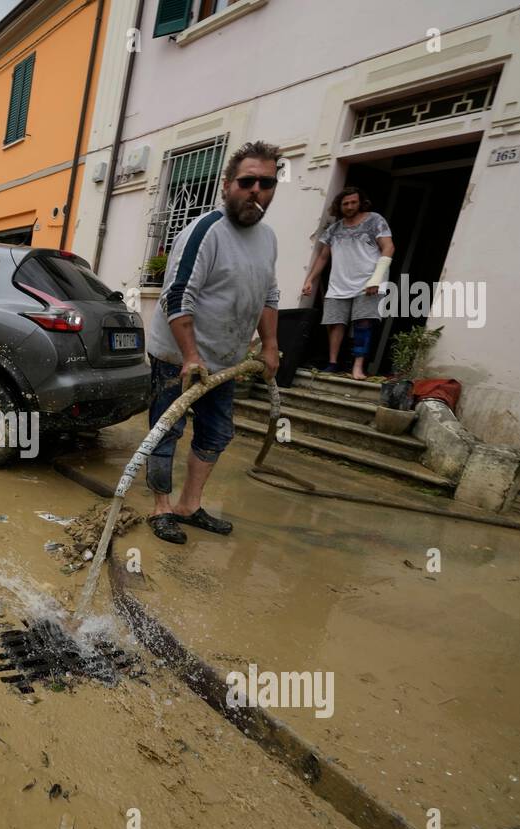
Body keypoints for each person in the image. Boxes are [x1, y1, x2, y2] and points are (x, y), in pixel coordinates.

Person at [145, 141, 282, 545]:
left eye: (266, 182)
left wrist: (270, 345)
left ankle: (189, 505)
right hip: (179, 357)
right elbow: (177, 296)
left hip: (227, 361)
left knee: (217, 434)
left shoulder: (268, 238)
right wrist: (190, 356)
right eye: (247, 181)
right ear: (227, 186)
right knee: (166, 431)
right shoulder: (205, 231)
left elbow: (268, 296)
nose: (256, 190)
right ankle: (161, 508)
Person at [301, 187, 395, 380]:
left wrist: (376, 278)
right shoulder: (333, 229)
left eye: (353, 202)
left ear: (360, 202)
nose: (350, 206)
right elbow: (323, 257)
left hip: (369, 281)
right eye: (346, 203)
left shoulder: (375, 220)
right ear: (339, 206)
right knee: (334, 323)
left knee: (364, 323)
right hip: (339, 283)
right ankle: (333, 363)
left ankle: (358, 367)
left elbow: (388, 247)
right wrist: (310, 279)